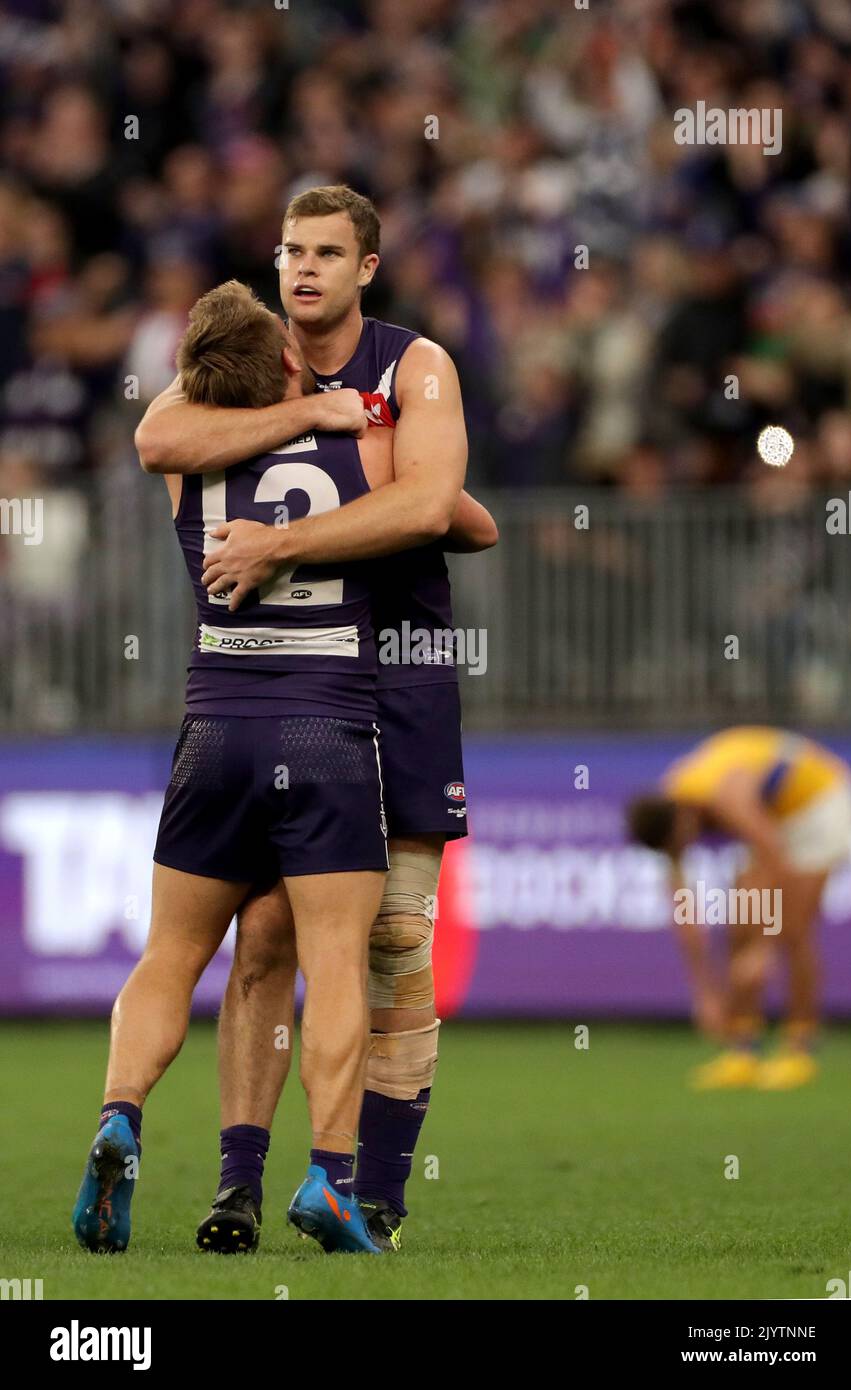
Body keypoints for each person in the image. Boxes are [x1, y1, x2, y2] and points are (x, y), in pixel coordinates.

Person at [134, 184, 497, 1251]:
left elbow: (435, 508)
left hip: (399, 672)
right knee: (264, 940)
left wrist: (280, 541)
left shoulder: (415, 363)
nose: (303, 269)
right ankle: (240, 1187)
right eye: (292, 249)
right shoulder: (254, 355)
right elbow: (159, 433)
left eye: (327, 253)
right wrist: (308, 420)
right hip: (289, 679)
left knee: (391, 940)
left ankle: (373, 1190)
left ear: (366, 268)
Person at [74, 281, 395, 1256]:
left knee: (169, 955)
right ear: (288, 363)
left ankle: (120, 1112)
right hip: (327, 726)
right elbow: (442, 507)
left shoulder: (184, 455)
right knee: (333, 963)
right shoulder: (358, 437)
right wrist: (329, 404)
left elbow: (160, 428)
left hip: (216, 723)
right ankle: (329, 1178)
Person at [627, 727, 851, 1090]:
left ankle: (799, 1047)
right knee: (740, 923)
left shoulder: (727, 797)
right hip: (776, 818)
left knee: (793, 927)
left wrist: (764, 947)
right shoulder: (671, 806)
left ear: (682, 819)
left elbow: (777, 859)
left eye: (682, 841)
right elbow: (685, 913)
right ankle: (743, 1048)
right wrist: (704, 992)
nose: (686, 848)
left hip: (820, 804)